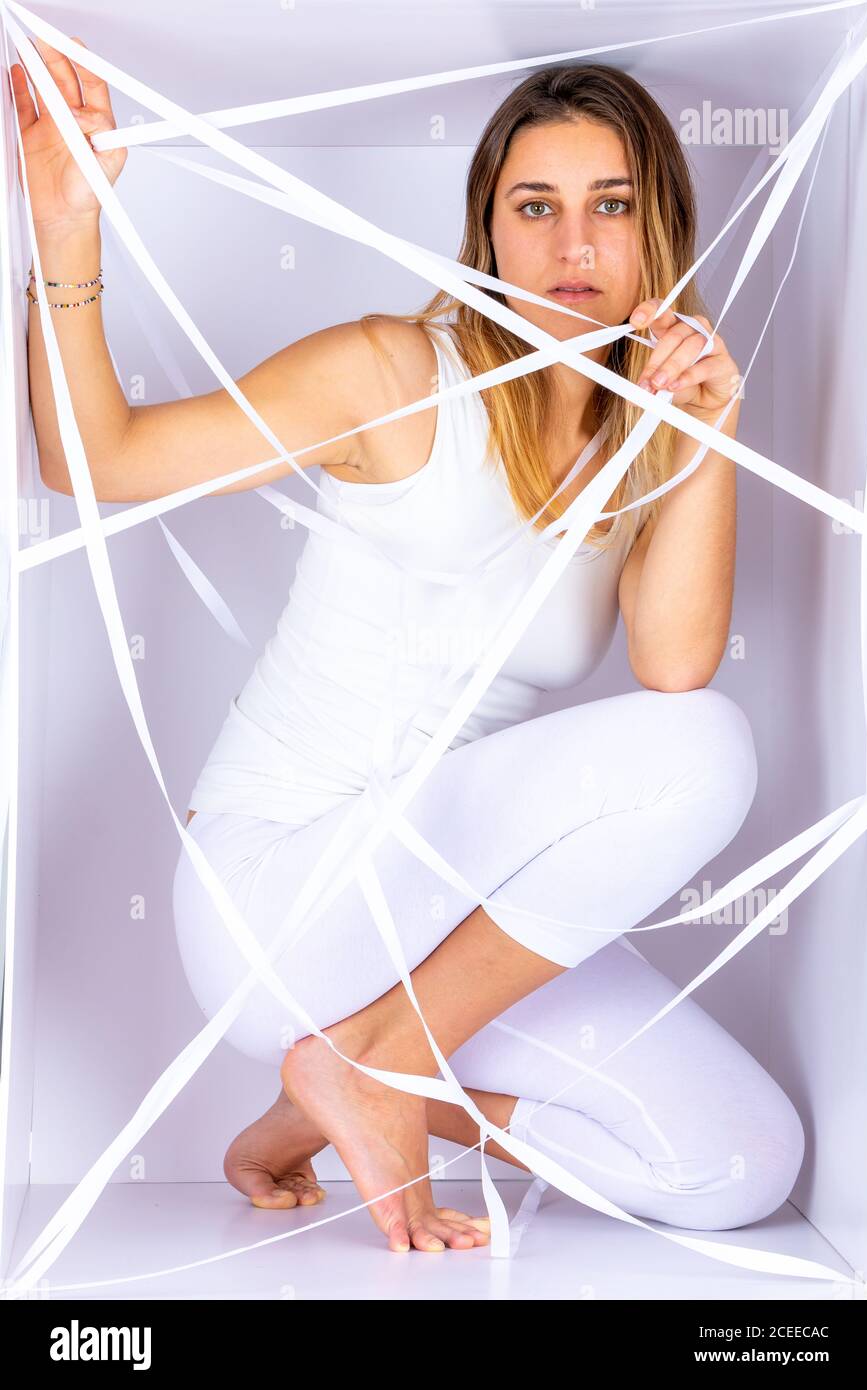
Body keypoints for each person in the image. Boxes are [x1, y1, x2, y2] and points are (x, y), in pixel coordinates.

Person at [18, 36, 805, 1257]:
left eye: (613, 206)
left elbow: (673, 664)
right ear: (487, 231)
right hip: (282, 899)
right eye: (533, 208)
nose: (574, 246)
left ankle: (338, 1090)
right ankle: (369, 1062)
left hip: (431, 929)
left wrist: (705, 430)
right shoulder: (394, 373)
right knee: (706, 747)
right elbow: (94, 459)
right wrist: (66, 229)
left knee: (739, 1163)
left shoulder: (636, 446)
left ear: (663, 232)